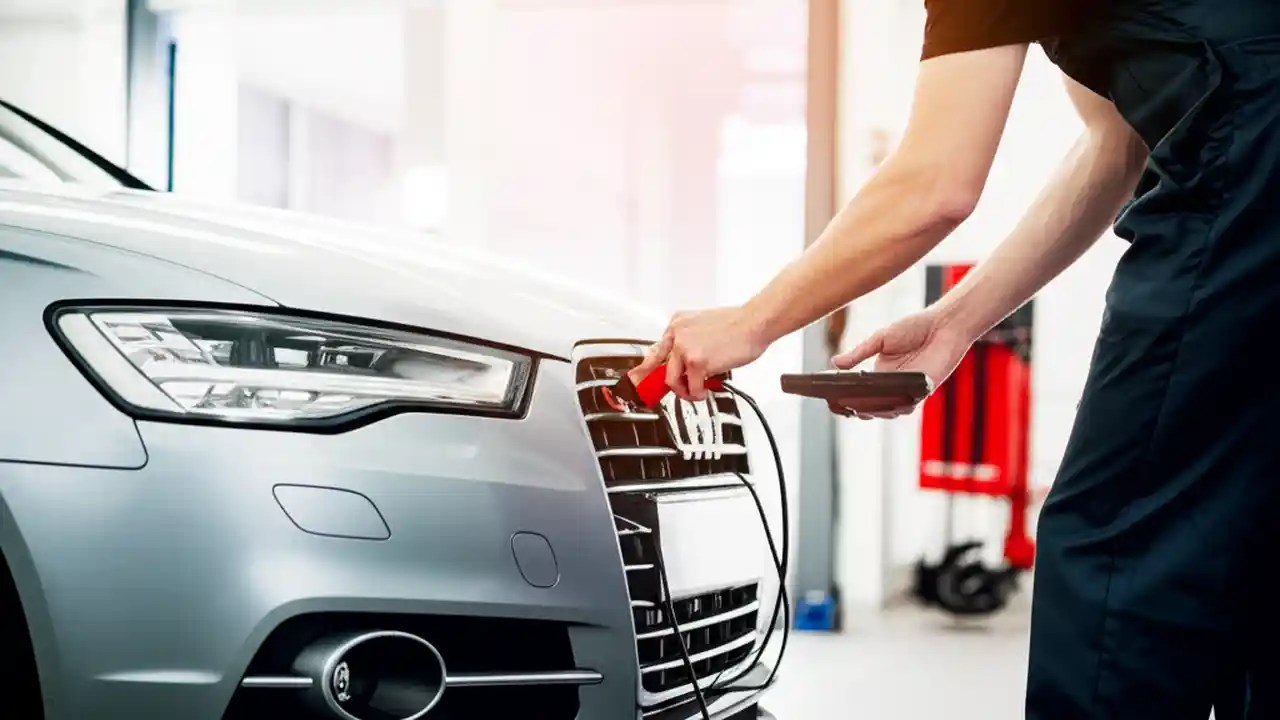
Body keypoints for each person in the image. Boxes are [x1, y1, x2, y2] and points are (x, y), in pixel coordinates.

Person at [633, 1, 1280, 717]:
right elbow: (1114, 146)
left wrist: (751, 322)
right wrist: (956, 321)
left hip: (1249, 189)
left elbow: (934, 186)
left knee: (1118, 559)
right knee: (1247, 551)